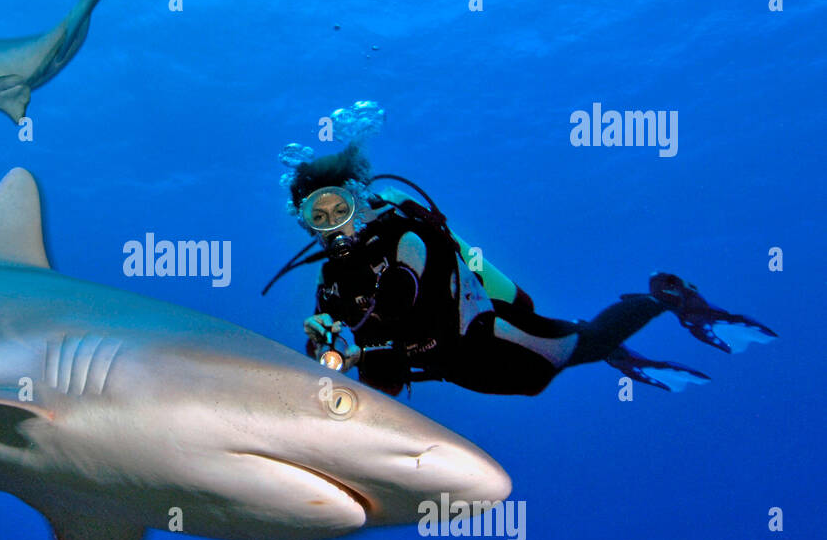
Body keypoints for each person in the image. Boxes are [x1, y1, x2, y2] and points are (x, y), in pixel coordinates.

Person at [267, 144, 777, 397]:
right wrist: (324, 346)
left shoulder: (406, 237)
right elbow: (371, 372)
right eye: (318, 216)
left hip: (496, 339)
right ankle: (609, 346)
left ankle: (666, 296)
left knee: (586, 346)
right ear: (305, 223)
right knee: (568, 357)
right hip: (458, 369)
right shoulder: (331, 283)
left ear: (357, 202)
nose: (333, 224)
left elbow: (406, 301)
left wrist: (358, 349)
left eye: (339, 207)